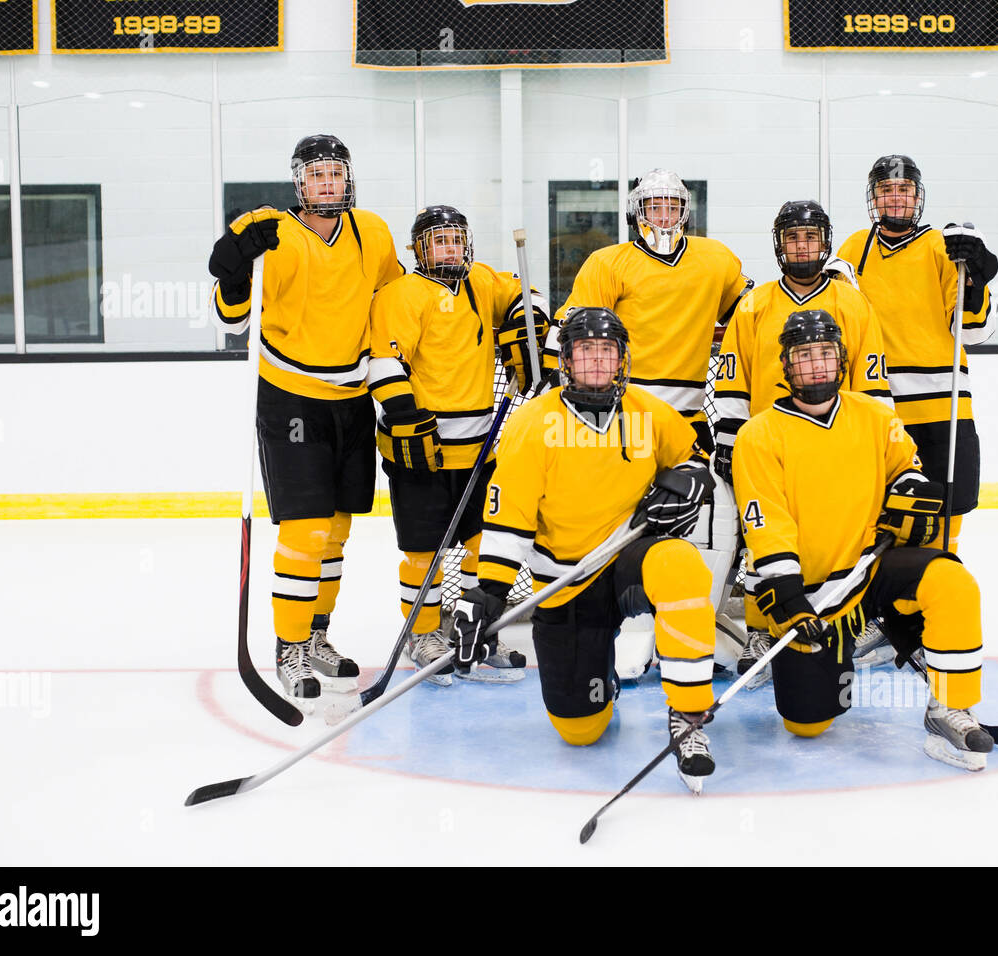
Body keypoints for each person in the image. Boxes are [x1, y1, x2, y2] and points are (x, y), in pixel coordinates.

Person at [449, 308, 720, 791]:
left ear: (622, 360)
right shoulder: (534, 423)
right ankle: (600, 677)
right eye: (585, 351)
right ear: (567, 361)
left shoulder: (648, 411)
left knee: (681, 564)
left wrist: (690, 478)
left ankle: (689, 716)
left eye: (607, 351)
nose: (597, 361)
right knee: (580, 730)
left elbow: (693, 456)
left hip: (628, 562)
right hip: (564, 583)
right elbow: (508, 517)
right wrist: (487, 591)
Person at [732, 310, 993, 771]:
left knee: (952, 582)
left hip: (872, 568)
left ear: (842, 360)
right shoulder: (759, 434)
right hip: (812, 593)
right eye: (804, 355)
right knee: (807, 722)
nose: (816, 365)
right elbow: (765, 522)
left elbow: (905, 465)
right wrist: (787, 593)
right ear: (786, 365)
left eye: (826, 355)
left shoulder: (874, 414)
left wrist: (910, 487)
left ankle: (949, 706)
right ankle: (829, 653)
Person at [208, 133, 404, 702]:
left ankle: (316, 636)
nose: (326, 183)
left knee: (337, 531)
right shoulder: (273, 231)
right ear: (299, 182)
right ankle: (287, 648)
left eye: (335, 173)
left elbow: (395, 301)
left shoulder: (372, 231)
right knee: (306, 529)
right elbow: (232, 320)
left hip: (352, 397)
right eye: (315, 174)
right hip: (291, 395)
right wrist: (234, 273)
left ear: (348, 178)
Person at [555, 168, 753, 666]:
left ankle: (684, 620)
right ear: (636, 213)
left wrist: (829, 284)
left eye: (671, 206)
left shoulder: (717, 260)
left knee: (702, 517)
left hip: (687, 416)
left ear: (684, 212)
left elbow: (750, 312)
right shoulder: (609, 262)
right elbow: (576, 328)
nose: (663, 216)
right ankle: (620, 621)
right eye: (654, 207)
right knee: (618, 520)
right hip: (622, 414)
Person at [369, 204, 552, 685]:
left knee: (481, 546)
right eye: (438, 241)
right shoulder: (402, 294)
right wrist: (406, 415)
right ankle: (424, 633)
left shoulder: (481, 282)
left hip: (479, 450)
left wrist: (523, 323)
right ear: (420, 250)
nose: (449, 249)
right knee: (423, 553)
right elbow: (384, 362)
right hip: (421, 452)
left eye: (455, 240)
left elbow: (527, 293)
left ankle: (478, 628)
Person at [713, 200, 893, 683]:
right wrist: (730, 441)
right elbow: (732, 379)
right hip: (768, 451)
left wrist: (875, 449)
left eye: (810, 238)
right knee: (762, 543)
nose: (802, 247)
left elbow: (872, 387)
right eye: (793, 238)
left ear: (825, 244)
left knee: (841, 540)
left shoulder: (851, 303)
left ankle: (846, 619)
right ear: (779, 245)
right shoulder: (755, 304)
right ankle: (760, 628)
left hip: (835, 448)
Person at [837, 154, 998, 665]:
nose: (896, 199)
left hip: (941, 407)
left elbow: (972, 331)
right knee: (884, 518)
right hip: (877, 409)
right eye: (886, 191)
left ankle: (935, 618)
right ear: (873, 199)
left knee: (948, 512)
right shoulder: (852, 250)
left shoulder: (943, 246)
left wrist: (975, 279)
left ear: (918, 197)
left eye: (904, 191)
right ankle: (889, 620)